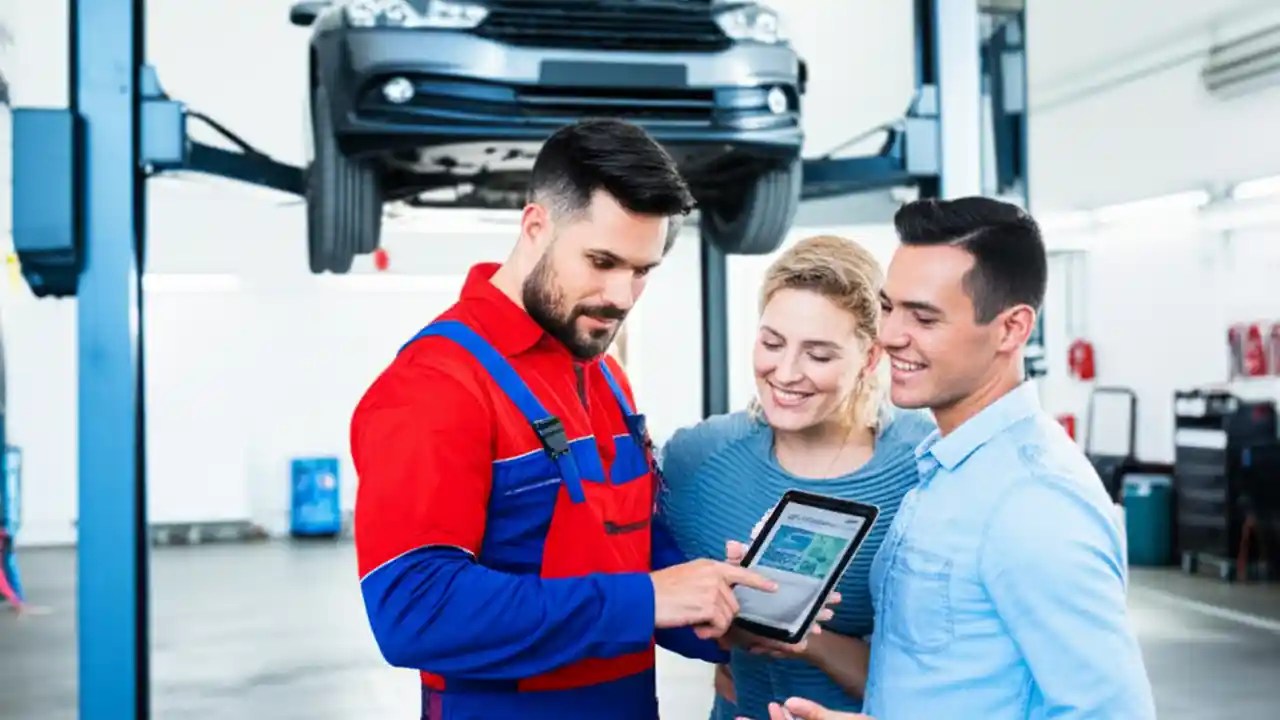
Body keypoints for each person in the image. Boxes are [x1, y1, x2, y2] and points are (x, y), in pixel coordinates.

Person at [349, 118, 783, 720]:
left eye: (642, 270)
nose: (622, 296)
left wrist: (719, 612)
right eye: (602, 260)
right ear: (535, 226)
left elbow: (630, 558)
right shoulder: (435, 386)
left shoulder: (601, 369)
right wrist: (644, 601)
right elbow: (414, 611)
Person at [760, 196, 1157, 720]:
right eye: (888, 307)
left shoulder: (1035, 502)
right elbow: (947, 680)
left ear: (1012, 329)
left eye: (923, 317)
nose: (890, 335)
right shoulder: (949, 468)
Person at [658, 235, 935, 720]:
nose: (785, 372)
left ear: (870, 359)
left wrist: (807, 638)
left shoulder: (923, 465)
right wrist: (722, 618)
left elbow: (940, 681)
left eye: (819, 355)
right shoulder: (696, 461)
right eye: (771, 343)